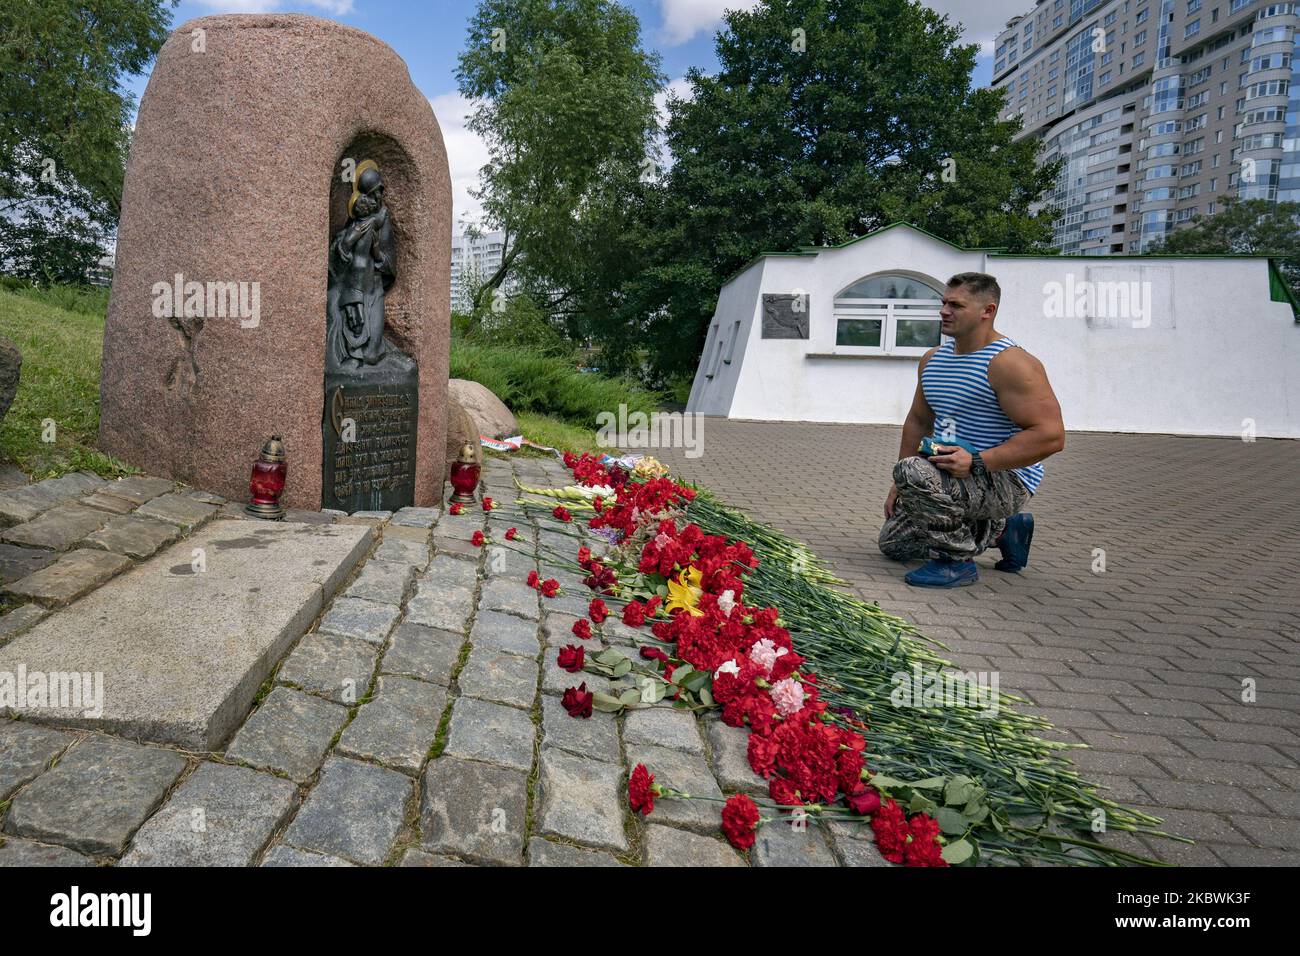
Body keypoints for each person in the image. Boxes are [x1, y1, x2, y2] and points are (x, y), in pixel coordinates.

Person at [878, 272, 1065, 588]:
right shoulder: (933, 359)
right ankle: (1003, 530)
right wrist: (899, 485)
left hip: (1004, 477)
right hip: (949, 470)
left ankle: (955, 562)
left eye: (956, 305)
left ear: (987, 311)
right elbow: (918, 421)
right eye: (943, 303)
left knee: (913, 471)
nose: (944, 311)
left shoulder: (1010, 364)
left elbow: (1051, 435)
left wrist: (978, 461)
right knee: (894, 545)